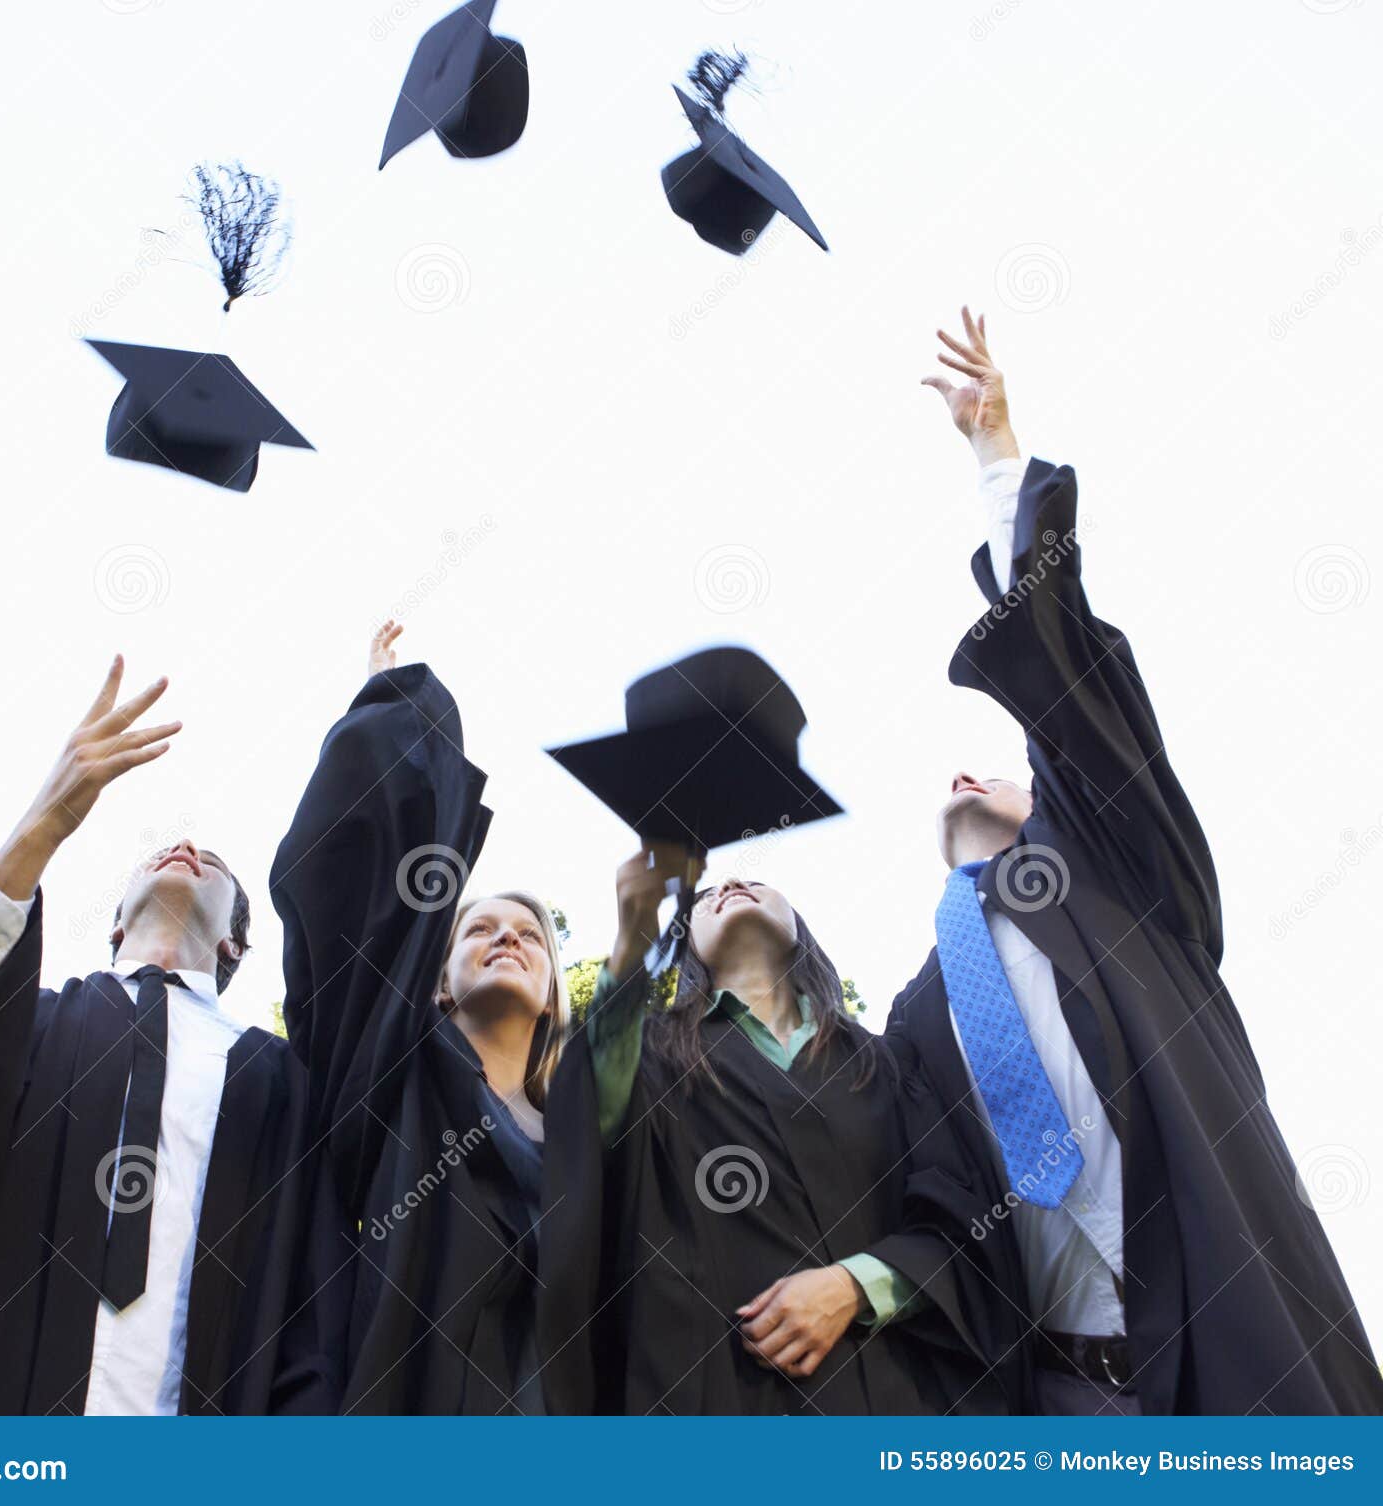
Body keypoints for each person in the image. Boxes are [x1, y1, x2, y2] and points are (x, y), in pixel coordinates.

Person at [890, 308, 1383, 1415]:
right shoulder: (916, 1015)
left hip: (1234, 1350)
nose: (970, 781)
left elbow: (1072, 700)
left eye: (1004, 774)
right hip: (1062, 1396)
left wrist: (993, 460)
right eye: (951, 786)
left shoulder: (1118, 873)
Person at [0, 658, 327, 1416]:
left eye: (214, 863)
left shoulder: (280, 1079)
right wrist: (37, 834)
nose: (187, 847)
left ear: (234, 947)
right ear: (116, 921)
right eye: (158, 855)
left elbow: (311, 1303)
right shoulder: (30, 1026)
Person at [539, 845, 1021, 1415]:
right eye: (708, 896)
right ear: (686, 947)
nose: (729, 888)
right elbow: (588, 1112)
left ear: (801, 929)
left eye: (754, 883)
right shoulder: (652, 1057)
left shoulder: (886, 1063)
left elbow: (963, 1219)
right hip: (720, 1407)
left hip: (901, 1403)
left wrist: (855, 1285)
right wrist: (635, 942)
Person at [270, 621, 565, 1414]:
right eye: (480, 928)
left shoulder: (596, 1135)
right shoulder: (391, 1072)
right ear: (436, 983)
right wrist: (390, 722)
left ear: (554, 991)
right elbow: (355, 904)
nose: (508, 935)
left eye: (531, 935)